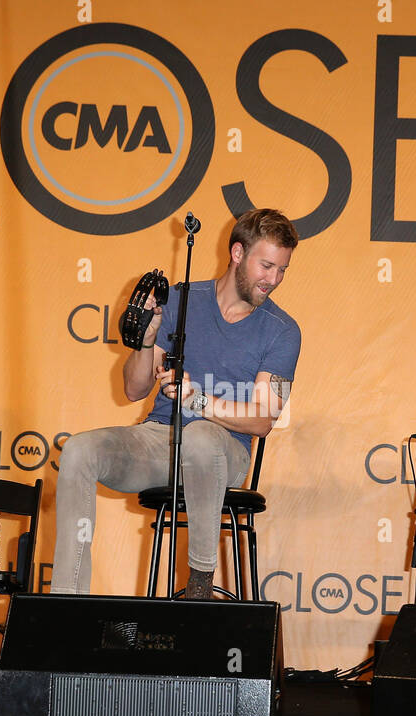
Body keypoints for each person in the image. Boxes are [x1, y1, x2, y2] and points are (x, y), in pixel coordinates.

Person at [52, 208, 301, 599]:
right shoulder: (182, 300)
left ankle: (200, 582)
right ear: (237, 253)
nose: (273, 279)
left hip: (224, 452)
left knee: (201, 436)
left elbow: (263, 420)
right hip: (161, 440)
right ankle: (67, 602)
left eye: (282, 270)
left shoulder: (284, 331)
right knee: (81, 450)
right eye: (266, 266)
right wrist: (147, 342)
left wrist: (198, 400)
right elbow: (134, 390)